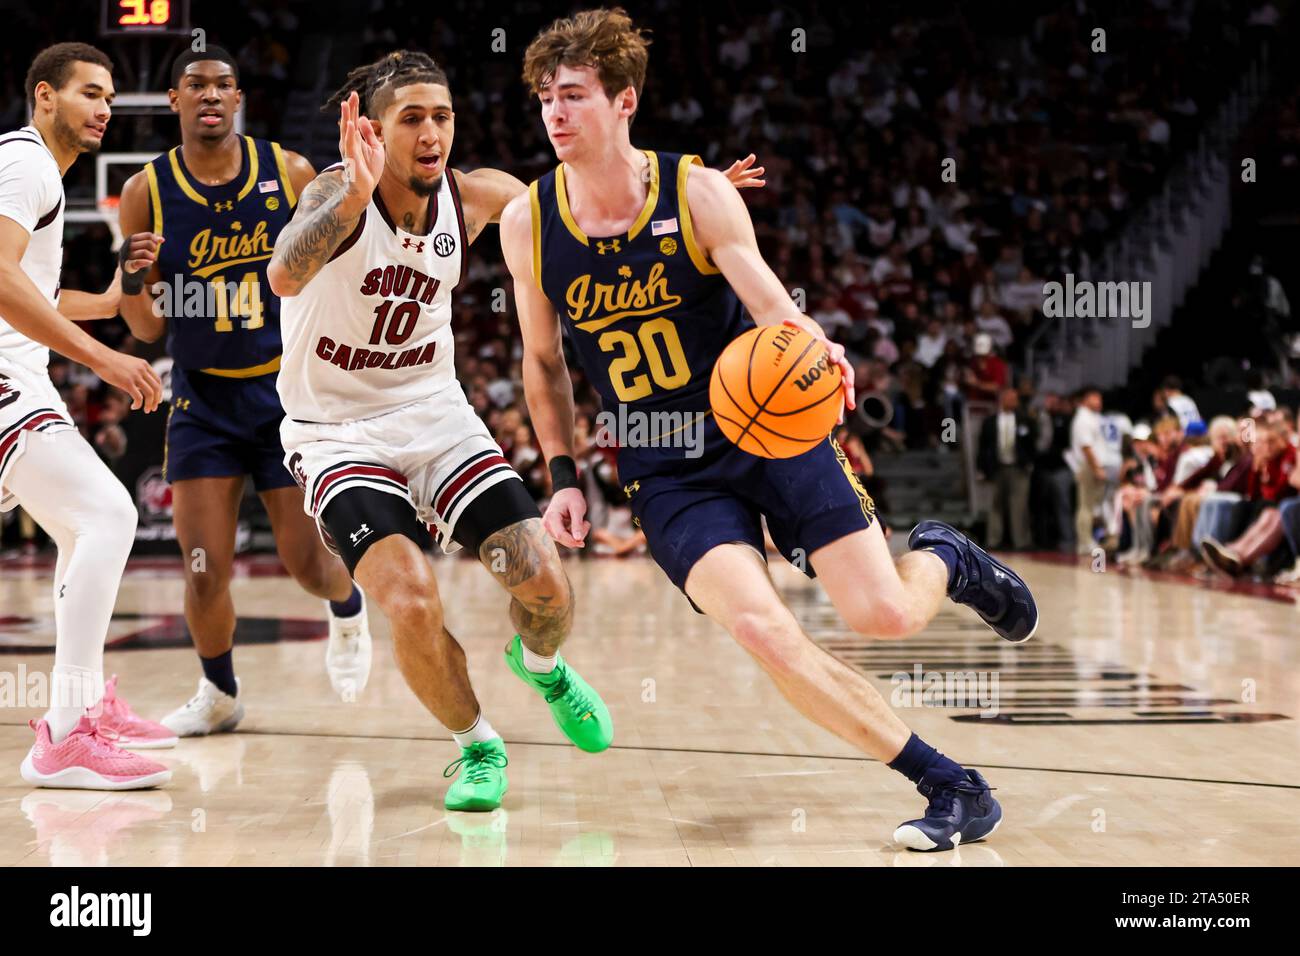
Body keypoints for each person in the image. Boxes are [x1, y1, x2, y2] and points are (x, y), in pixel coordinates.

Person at [499, 8, 1038, 852]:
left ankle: (947, 556)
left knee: (884, 615)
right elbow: (542, 364)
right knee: (762, 630)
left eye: (573, 96)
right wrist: (562, 473)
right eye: (545, 99)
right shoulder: (529, 223)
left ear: (624, 101)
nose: (555, 115)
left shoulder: (697, 191)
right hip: (664, 469)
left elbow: (768, 301)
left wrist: (815, 348)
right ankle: (951, 784)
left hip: (767, 432)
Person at [265, 51, 619, 812]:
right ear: (373, 129)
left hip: (436, 417)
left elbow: (584, 214)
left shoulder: (479, 195)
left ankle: (543, 667)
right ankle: (476, 746)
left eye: (442, 116)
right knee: (413, 600)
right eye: (411, 118)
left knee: (549, 591)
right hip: (337, 433)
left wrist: (693, 196)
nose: (431, 133)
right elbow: (285, 276)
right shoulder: (334, 191)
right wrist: (353, 196)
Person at [116, 47, 370, 736]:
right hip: (202, 402)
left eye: (224, 84)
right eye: (195, 84)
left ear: (238, 98)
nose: (210, 94)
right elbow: (143, 327)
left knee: (308, 565)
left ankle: (348, 610)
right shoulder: (146, 190)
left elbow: (336, 268)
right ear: (173, 99)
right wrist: (134, 277)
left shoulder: (287, 171)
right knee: (203, 571)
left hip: (282, 397)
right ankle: (220, 692)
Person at [0, 42, 171, 788]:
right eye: (89, 93)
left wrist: (107, 301)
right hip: (8, 379)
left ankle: (84, 701)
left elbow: (32, 288)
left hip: (21, 376)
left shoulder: (41, 175)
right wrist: (105, 359)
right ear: (44, 97)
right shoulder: (26, 163)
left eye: (109, 97)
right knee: (107, 515)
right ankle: (66, 734)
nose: (104, 108)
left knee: (86, 526)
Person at [976, 387, 1036, 550]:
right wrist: (981, 469)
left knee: (1019, 505)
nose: (1014, 402)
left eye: (1016, 399)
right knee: (995, 505)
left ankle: (1021, 541)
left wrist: (1029, 462)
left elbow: (1032, 443)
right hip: (996, 467)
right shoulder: (990, 421)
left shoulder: (1024, 420)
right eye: (1011, 398)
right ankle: (993, 540)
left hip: (1018, 468)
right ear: (1002, 400)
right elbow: (983, 447)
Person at [1068, 386, 1106, 554]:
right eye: (1095, 397)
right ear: (1085, 399)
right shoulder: (1082, 418)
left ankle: (1088, 539)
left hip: (1091, 464)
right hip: (1087, 465)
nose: (1099, 401)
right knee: (1085, 505)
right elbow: (1086, 446)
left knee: (1091, 505)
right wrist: (1096, 467)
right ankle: (1084, 541)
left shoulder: (1093, 417)